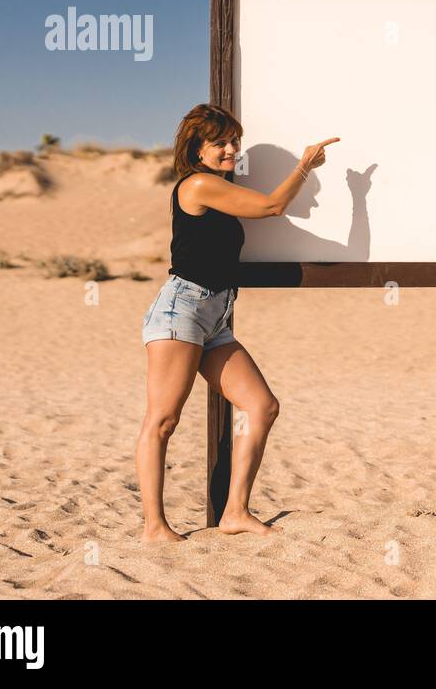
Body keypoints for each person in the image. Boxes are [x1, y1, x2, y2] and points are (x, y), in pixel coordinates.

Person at [136, 102, 339, 542]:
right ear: (196, 150)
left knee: (262, 406)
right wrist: (304, 166)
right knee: (164, 420)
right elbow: (271, 207)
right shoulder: (197, 186)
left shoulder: (220, 191)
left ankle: (234, 513)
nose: (230, 149)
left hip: (215, 318)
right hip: (182, 311)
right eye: (219, 143)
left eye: (234, 141)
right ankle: (154, 527)